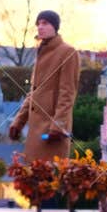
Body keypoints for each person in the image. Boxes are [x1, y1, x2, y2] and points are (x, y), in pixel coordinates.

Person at [8, 10, 79, 161]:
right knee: (32, 178)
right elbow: (34, 93)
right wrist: (18, 122)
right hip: (36, 130)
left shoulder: (68, 52)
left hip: (52, 132)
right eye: (38, 24)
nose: (40, 27)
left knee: (50, 179)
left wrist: (58, 125)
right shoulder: (41, 53)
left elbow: (67, 94)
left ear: (55, 26)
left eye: (45, 23)